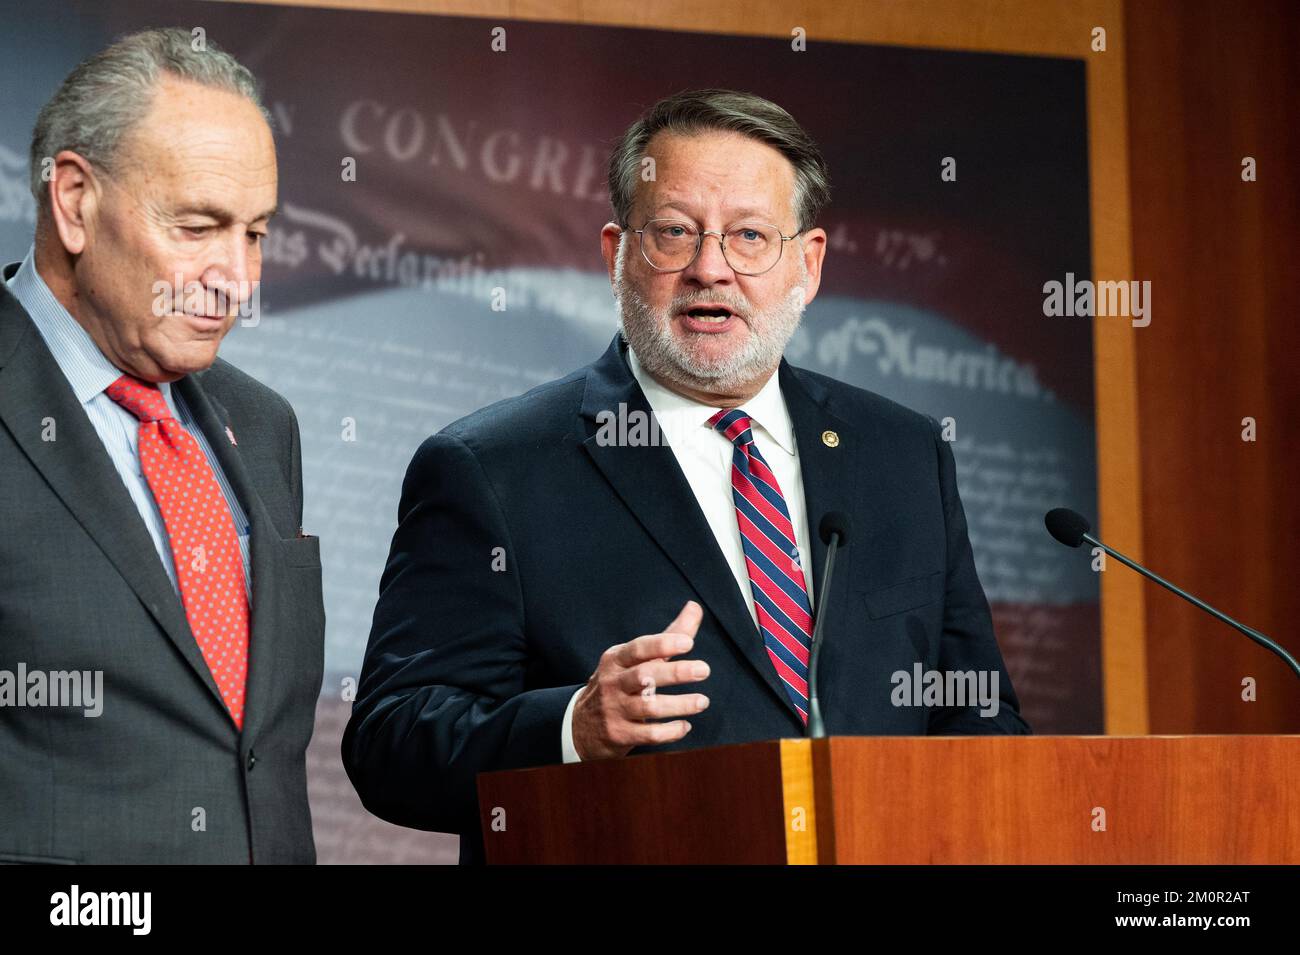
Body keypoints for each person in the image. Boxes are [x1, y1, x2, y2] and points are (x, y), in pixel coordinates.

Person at [343, 88, 1029, 865]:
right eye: (674, 233)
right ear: (615, 254)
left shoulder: (902, 456)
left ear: (808, 263)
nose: (712, 269)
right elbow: (390, 742)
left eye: (749, 236)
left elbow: (980, 716)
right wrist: (571, 724)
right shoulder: (492, 469)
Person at [0, 28, 324, 863]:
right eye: (197, 226)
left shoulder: (263, 426)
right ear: (74, 201)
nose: (237, 278)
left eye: (254, 233)